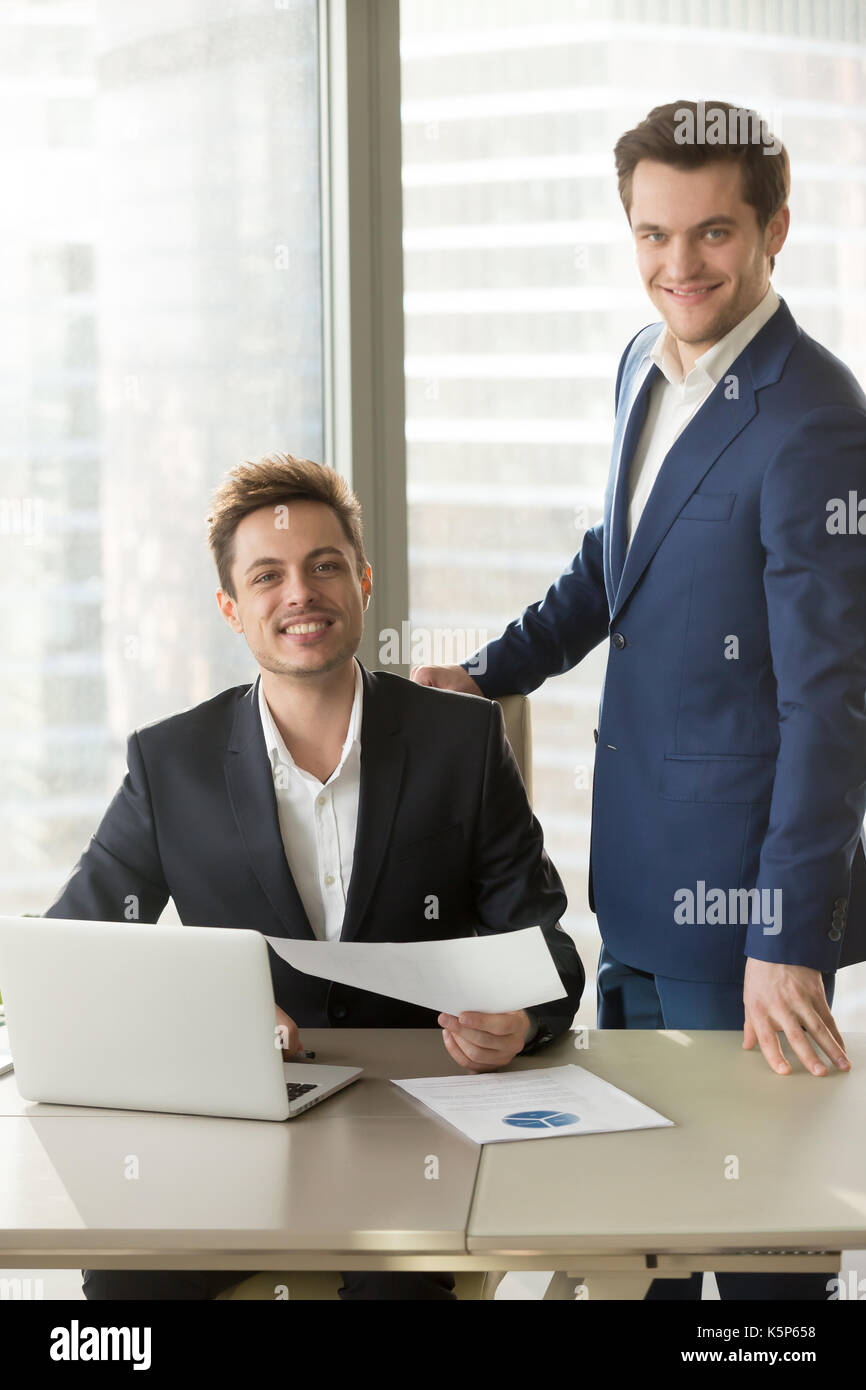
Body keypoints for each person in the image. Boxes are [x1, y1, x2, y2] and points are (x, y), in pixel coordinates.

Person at [411, 99, 866, 1301]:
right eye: (652, 234)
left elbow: (833, 705)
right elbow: (615, 556)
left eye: (711, 233)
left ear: (773, 231)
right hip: (634, 884)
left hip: (743, 920)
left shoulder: (816, 419)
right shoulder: (636, 362)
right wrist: (491, 670)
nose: (679, 266)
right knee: (643, 1235)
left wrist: (786, 935)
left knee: (764, 1259)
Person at [43, 452, 584, 1300]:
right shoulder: (171, 764)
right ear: (232, 608)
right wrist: (213, 1015)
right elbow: (72, 953)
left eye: (325, 566)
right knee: (120, 1285)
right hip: (241, 1129)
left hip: (420, 1122)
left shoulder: (463, 743)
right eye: (268, 576)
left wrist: (520, 1018)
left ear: (363, 582)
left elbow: (549, 953)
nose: (301, 593)